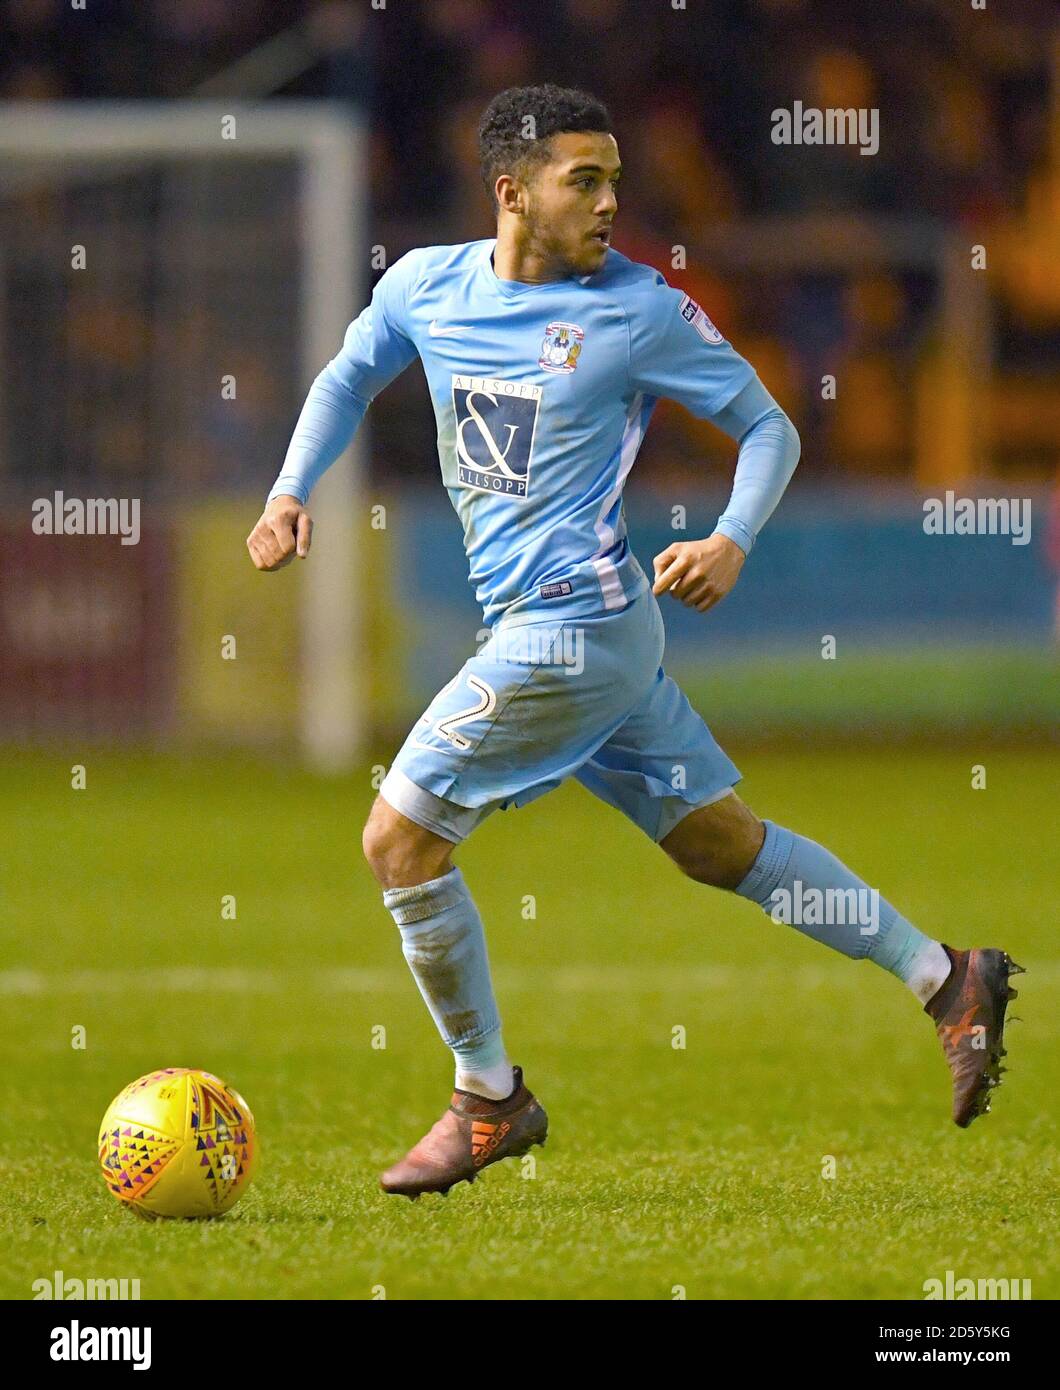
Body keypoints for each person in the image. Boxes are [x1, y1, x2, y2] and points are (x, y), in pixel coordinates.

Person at [247, 85, 1021, 1199]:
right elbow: (348, 374)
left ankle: (487, 1098)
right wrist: (287, 493)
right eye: (584, 179)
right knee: (719, 844)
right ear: (512, 193)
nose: (612, 201)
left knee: (398, 842)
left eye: (614, 177)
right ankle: (944, 975)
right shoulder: (425, 284)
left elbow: (767, 426)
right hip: (564, 633)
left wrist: (732, 538)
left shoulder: (639, 309)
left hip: (576, 630)